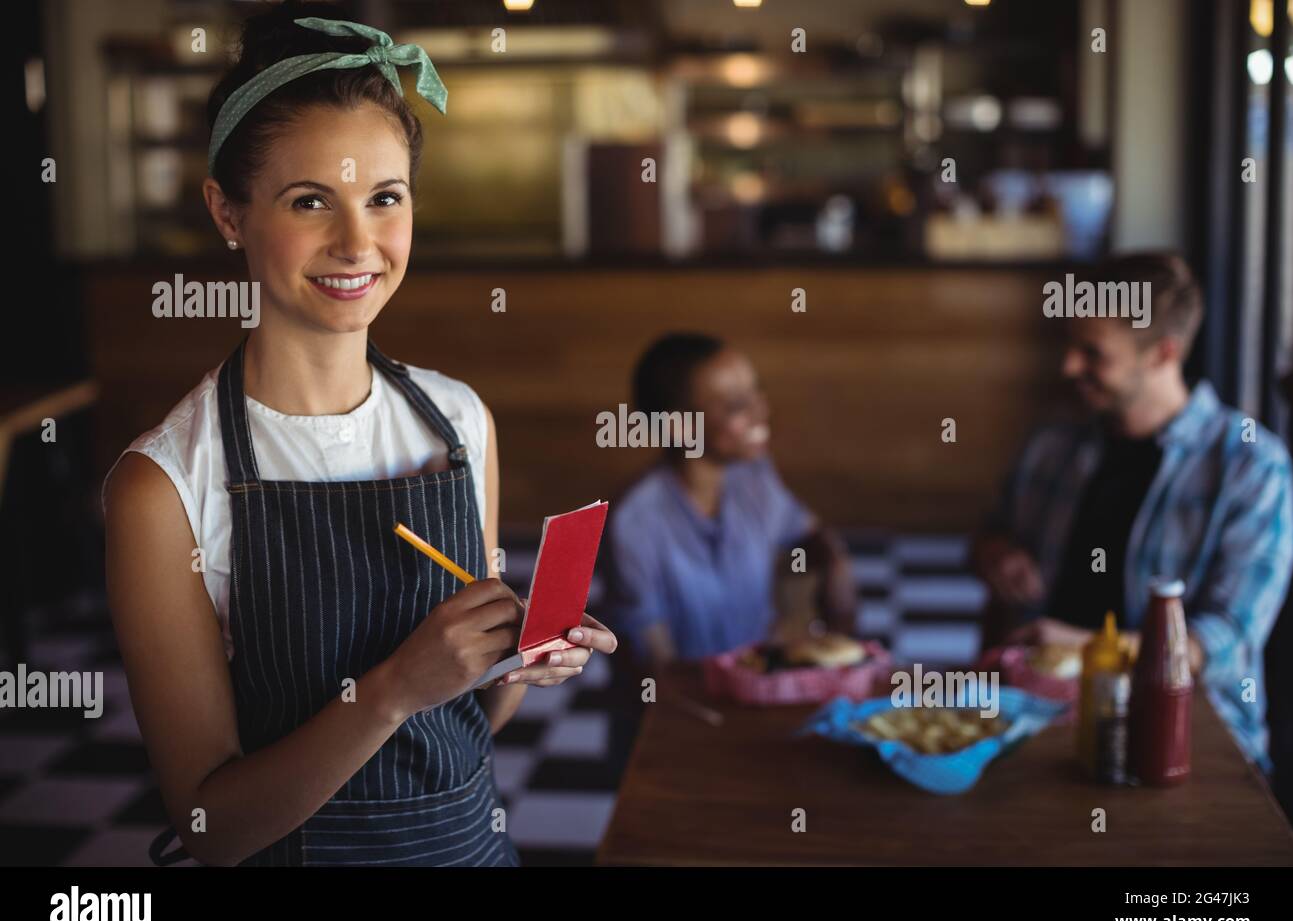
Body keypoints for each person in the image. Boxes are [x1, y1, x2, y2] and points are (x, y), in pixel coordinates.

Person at [101, 4, 616, 867]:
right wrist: (390, 692)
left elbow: (469, 724)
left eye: (385, 198)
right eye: (310, 201)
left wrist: (517, 659)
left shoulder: (460, 422)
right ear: (227, 213)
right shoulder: (162, 486)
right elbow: (212, 830)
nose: (357, 243)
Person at [971, 252, 1293, 769]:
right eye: (1069, 345)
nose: (1068, 367)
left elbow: (1225, 640)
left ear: (1162, 354)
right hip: (1033, 724)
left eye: (1093, 353)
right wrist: (996, 554)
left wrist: (1088, 649)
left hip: (1188, 741)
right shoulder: (1052, 442)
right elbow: (991, 536)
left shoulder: (1251, 467)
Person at [603, 333, 856, 670]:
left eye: (757, 392)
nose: (761, 411)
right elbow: (652, 668)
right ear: (680, 427)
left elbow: (807, 534)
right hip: (683, 710)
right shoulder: (634, 522)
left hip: (755, 685)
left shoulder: (753, 476)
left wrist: (834, 558)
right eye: (737, 406)